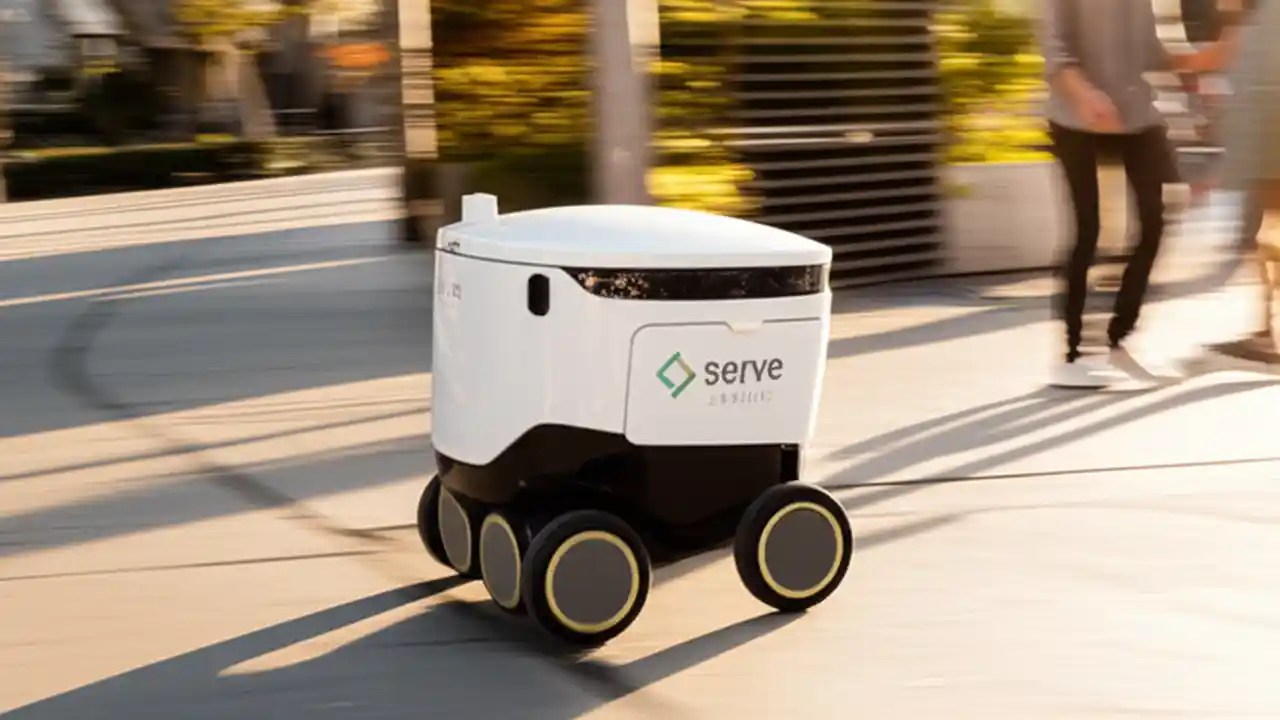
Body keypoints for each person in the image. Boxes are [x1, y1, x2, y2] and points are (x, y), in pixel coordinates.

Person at [1037, 0, 1213, 388]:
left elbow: (1151, 47)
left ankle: (1118, 341)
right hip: (1075, 116)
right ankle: (1072, 355)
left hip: (1136, 113)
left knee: (1156, 220)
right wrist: (1085, 95)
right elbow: (1053, 47)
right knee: (1089, 229)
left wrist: (1196, 68)